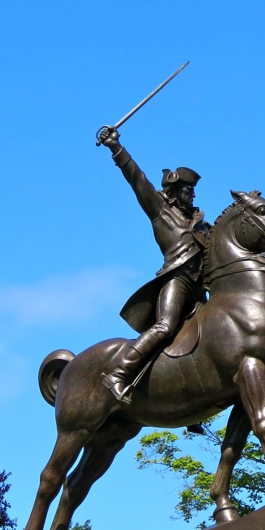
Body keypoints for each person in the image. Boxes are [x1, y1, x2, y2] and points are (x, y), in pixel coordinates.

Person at [98, 127, 210, 402]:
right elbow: (138, 180)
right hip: (178, 281)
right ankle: (118, 374)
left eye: (194, 190)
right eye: (188, 190)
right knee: (165, 327)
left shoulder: (200, 223)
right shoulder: (162, 211)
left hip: (200, 289)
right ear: (175, 192)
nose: (193, 194)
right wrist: (116, 147)